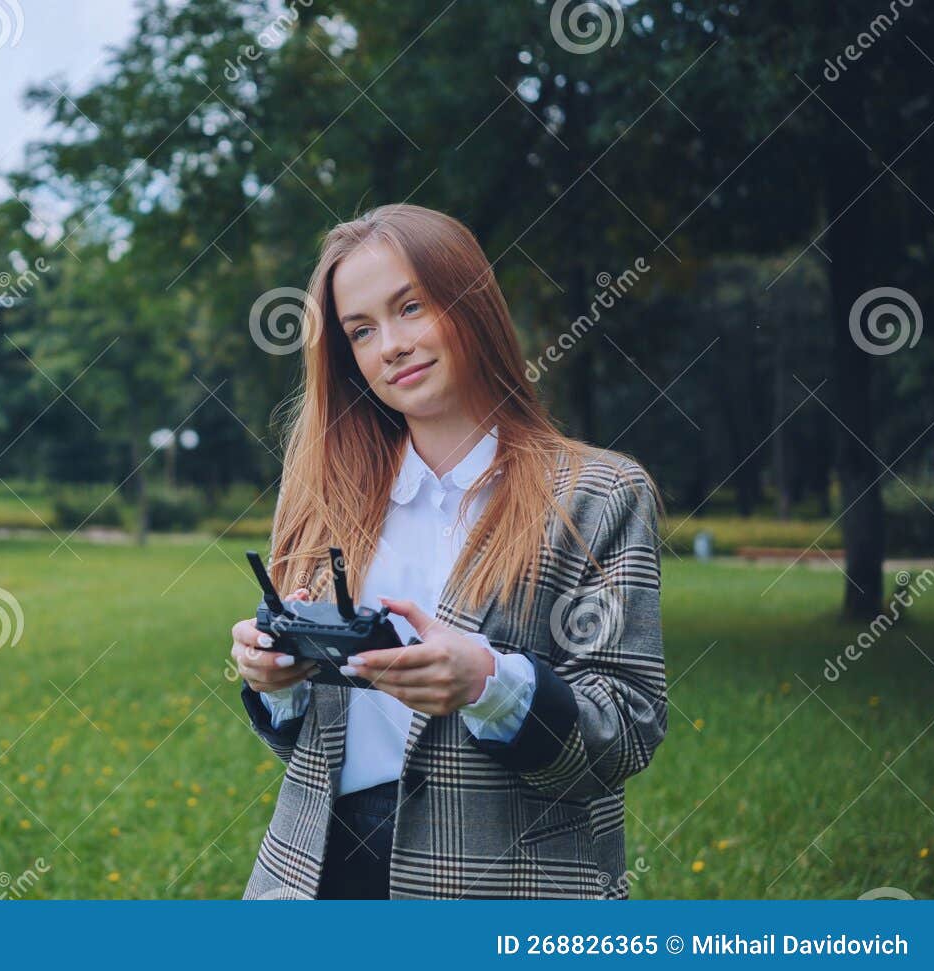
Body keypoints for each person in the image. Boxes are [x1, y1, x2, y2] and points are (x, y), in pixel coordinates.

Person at [230, 203, 667, 899]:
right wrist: (274, 679)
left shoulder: (599, 495)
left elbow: (626, 729)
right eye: (361, 331)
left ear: (473, 305)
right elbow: (306, 745)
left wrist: (489, 683)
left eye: (411, 307)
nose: (390, 346)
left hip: (505, 886)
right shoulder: (322, 496)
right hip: (316, 879)